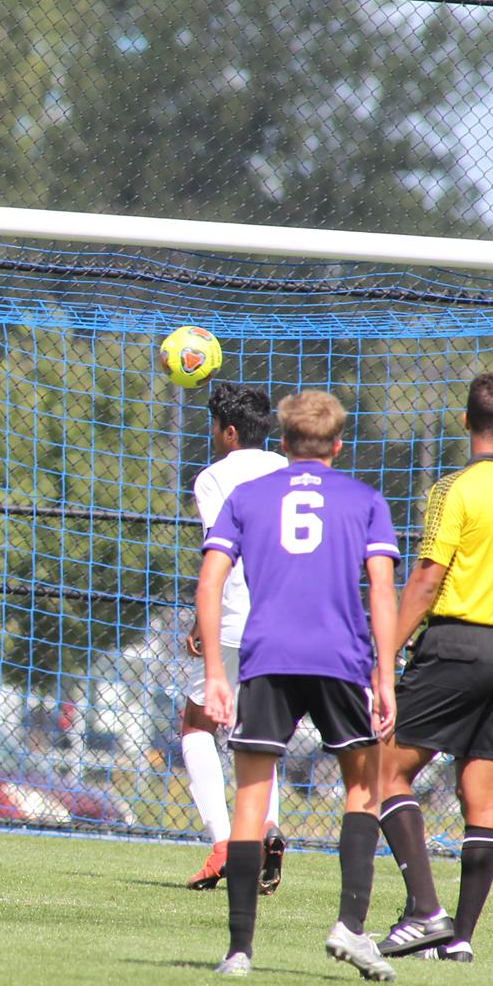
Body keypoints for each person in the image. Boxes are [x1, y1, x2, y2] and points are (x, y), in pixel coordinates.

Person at [197, 391, 400, 980]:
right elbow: (382, 590)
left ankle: (239, 951)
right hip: (340, 657)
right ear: (339, 445)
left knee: (251, 799)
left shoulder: (247, 496)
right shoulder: (365, 500)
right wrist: (385, 676)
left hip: (268, 656)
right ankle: (350, 928)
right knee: (363, 787)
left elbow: (210, 583)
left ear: (283, 442)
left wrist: (215, 674)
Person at [374, 373, 493, 964]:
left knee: (384, 771)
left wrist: (385, 652)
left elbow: (427, 581)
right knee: (482, 797)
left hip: (456, 644)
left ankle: (425, 912)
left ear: (465, 421)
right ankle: (460, 940)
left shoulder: (453, 489)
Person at [180, 382, 289, 891]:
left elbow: (219, 553)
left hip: (234, 611)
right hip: (285, 613)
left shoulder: (213, 478)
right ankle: (268, 827)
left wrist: (200, 620)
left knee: (197, 723)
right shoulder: (289, 470)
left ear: (227, 432)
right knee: (259, 728)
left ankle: (223, 842)